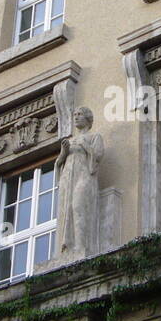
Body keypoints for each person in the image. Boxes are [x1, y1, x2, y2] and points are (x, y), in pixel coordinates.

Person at [54, 106, 104, 260]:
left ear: (87, 118)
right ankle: (68, 246)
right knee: (67, 208)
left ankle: (81, 245)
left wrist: (86, 146)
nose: (76, 117)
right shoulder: (70, 140)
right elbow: (58, 163)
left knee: (78, 205)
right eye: (74, 115)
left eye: (79, 114)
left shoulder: (94, 136)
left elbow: (98, 156)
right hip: (68, 177)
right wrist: (63, 153)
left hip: (83, 175)